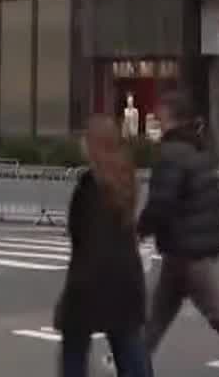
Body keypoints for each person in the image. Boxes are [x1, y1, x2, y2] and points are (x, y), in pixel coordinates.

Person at [136, 90, 219, 377]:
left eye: (160, 114)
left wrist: (141, 229)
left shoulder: (171, 153)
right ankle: (135, 358)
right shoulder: (198, 150)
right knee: (161, 310)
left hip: (184, 244)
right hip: (189, 241)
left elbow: (162, 200)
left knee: (214, 309)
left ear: (170, 117)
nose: (157, 119)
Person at [56, 115, 152, 377]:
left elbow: (89, 240)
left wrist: (77, 288)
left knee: (74, 349)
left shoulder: (91, 187)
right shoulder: (124, 178)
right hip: (125, 277)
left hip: (92, 280)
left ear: (93, 144)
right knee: (128, 347)